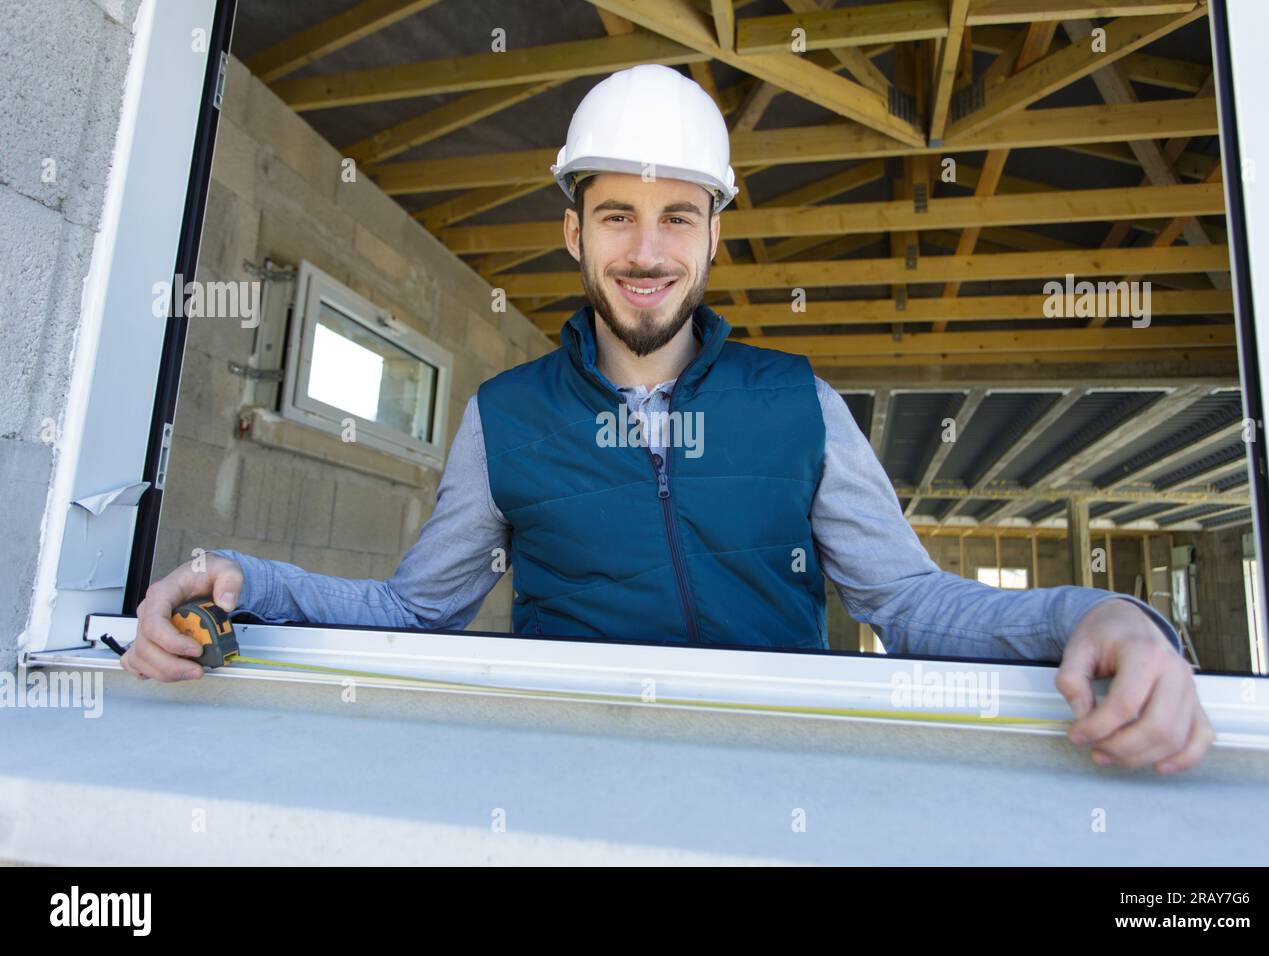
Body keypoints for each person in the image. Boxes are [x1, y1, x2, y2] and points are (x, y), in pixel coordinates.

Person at [126, 64, 1214, 773]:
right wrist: (243, 582)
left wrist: (1102, 616)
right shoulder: (504, 418)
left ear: (713, 235)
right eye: (616, 217)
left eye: (675, 218)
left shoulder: (798, 404)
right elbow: (415, 612)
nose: (645, 252)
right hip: (564, 785)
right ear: (573, 233)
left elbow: (911, 604)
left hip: (785, 781)